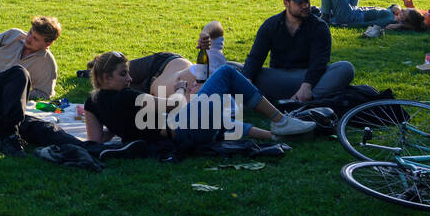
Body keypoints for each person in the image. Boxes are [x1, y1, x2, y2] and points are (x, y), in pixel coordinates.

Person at [84, 50, 314, 146]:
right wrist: (182, 88)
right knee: (227, 73)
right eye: (123, 74)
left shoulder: (92, 103)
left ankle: (274, 135)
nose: (128, 79)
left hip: (181, 134)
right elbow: (174, 103)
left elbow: (97, 140)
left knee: (216, 119)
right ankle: (280, 120)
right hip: (182, 131)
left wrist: (119, 127)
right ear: (106, 77)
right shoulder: (129, 97)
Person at [242, 0, 354, 101]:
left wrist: (307, 86)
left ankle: (304, 101)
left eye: (307, 1)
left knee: (345, 68)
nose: (305, 5)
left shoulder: (319, 27)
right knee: (230, 69)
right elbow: (256, 57)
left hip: (307, 78)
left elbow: (319, 62)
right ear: (286, 3)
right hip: (277, 77)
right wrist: (246, 80)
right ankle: (236, 112)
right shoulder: (271, 25)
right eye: (300, 2)